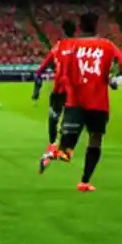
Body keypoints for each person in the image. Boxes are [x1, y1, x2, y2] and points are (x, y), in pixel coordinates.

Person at [38, 12, 122, 192]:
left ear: (80, 27)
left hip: (75, 103)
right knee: (95, 139)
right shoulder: (108, 45)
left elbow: (64, 74)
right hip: (98, 104)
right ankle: (84, 182)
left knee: (67, 149)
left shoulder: (72, 46)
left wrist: (59, 98)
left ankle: (51, 154)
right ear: (96, 26)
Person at [32, 19, 76, 156]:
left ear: (63, 31)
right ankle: (66, 147)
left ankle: (52, 145)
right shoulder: (80, 47)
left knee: (53, 118)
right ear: (75, 31)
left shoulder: (57, 47)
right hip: (75, 90)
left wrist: (36, 91)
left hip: (59, 89)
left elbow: (39, 71)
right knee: (72, 118)